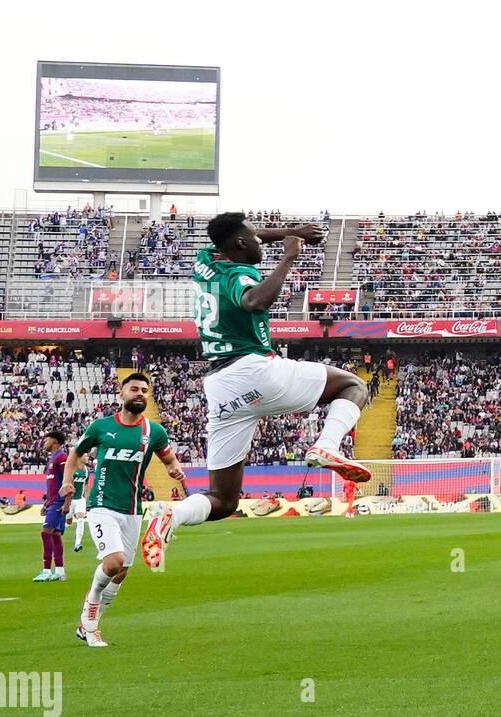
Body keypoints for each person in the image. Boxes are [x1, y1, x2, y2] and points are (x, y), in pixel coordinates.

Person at [141, 213, 369, 571]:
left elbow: (252, 235)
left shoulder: (208, 261)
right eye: (254, 240)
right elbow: (254, 302)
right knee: (354, 385)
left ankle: (168, 516)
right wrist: (289, 256)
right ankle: (326, 446)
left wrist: (290, 232)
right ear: (241, 245)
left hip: (219, 387)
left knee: (223, 499)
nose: (261, 242)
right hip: (254, 369)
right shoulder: (239, 274)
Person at [59, 373, 185, 648]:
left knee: (122, 571)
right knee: (114, 561)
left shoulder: (154, 432)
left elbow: (170, 459)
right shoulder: (101, 427)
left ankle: (86, 624)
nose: (140, 393)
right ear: (121, 393)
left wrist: (174, 468)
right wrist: (68, 481)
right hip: (102, 505)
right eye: (134, 389)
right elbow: (74, 454)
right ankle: (90, 623)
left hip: (132, 509)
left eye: (144, 390)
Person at [33, 430, 69, 582]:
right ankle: (60, 572)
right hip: (53, 501)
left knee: (45, 533)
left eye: (46, 440)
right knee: (55, 535)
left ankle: (46, 570)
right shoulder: (52, 458)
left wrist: (67, 502)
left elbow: (68, 480)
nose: (44, 442)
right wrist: (46, 503)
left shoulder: (61, 457)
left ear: (54, 441)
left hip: (59, 502)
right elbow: (53, 485)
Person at [69, 452, 91, 552]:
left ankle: (77, 543)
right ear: (80, 457)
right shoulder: (72, 468)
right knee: (67, 521)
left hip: (80, 500)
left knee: (81, 520)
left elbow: (86, 485)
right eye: (85, 456)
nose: (87, 457)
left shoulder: (86, 470)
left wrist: (86, 499)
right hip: (69, 500)